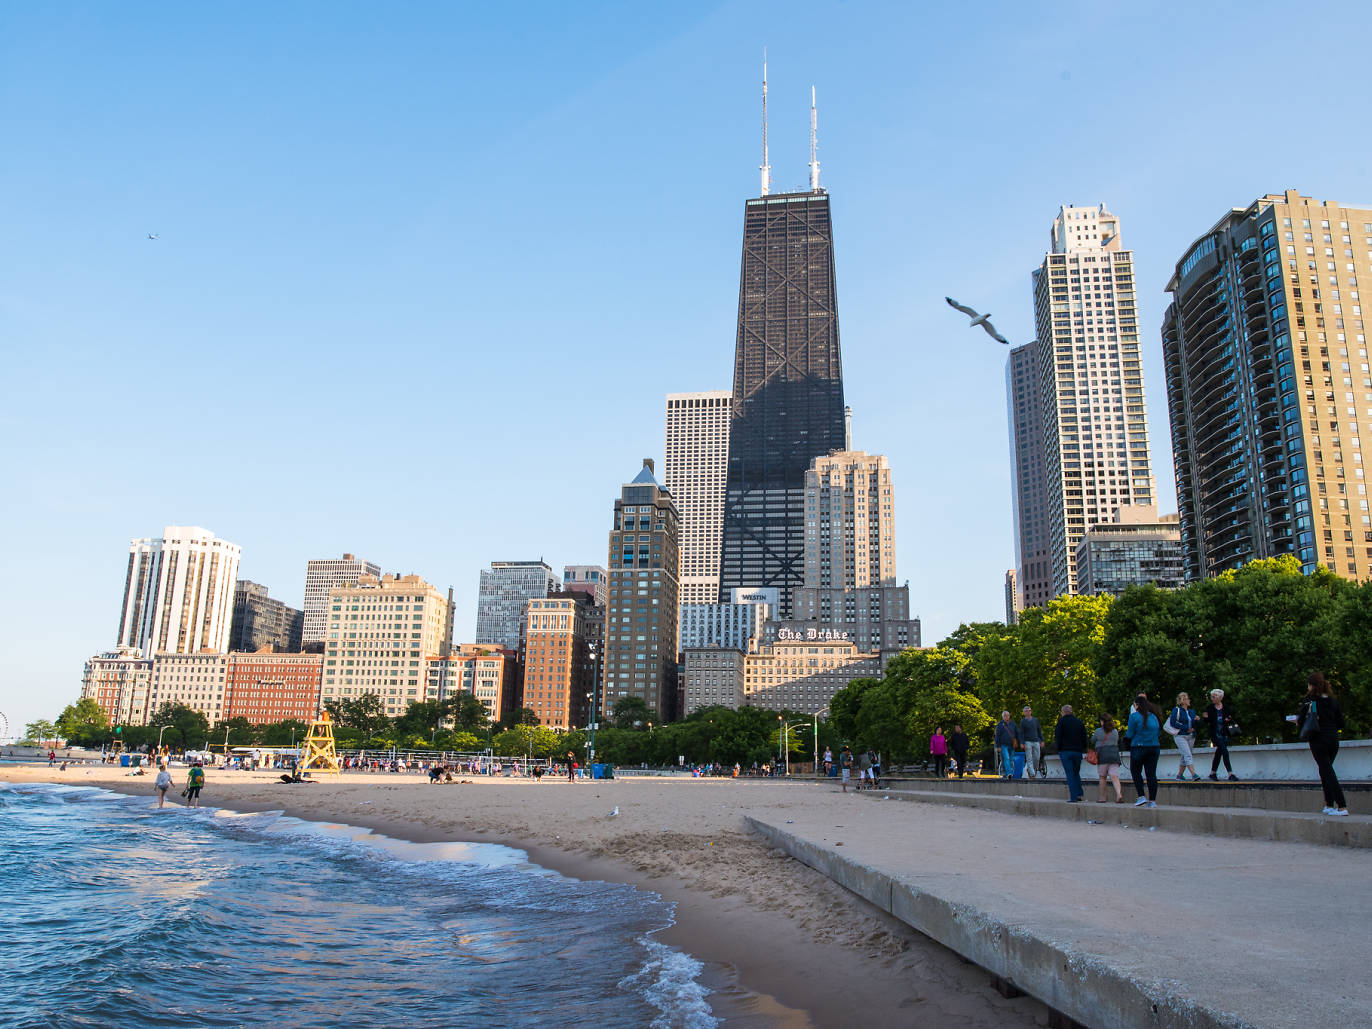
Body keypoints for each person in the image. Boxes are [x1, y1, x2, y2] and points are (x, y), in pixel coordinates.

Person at [1296, 672, 1348, 816]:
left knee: (1328, 772)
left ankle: (1342, 806)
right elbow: (1341, 723)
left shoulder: (1309, 700)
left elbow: (1301, 720)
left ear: (1311, 685)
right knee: (1325, 770)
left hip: (1318, 740)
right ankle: (1329, 804)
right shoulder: (1332, 700)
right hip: (1333, 740)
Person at [1127, 693, 1163, 808]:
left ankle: (1141, 796)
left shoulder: (1134, 716)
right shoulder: (1154, 716)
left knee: (1135, 771)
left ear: (1136, 705)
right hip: (1154, 747)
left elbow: (1130, 733)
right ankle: (1152, 800)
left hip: (1138, 747)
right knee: (1151, 774)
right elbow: (1158, 732)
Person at [1202, 689, 1240, 780]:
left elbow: (1230, 717)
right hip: (1215, 734)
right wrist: (1205, 717)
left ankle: (1213, 773)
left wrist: (1227, 720)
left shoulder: (1226, 707)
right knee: (1224, 751)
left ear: (1220, 698)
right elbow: (1208, 720)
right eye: (1212, 696)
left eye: (1214, 697)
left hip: (1224, 733)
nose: (1212, 698)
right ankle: (1230, 773)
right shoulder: (1210, 707)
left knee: (1219, 753)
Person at [1054, 705, 1088, 802]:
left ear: (1063, 712)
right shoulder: (1079, 722)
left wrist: (1059, 748)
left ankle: (1073, 797)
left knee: (1070, 774)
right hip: (1077, 752)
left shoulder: (1061, 722)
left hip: (1065, 751)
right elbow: (1084, 737)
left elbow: (1058, 737)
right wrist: (1083, 748)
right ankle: (1079, 793)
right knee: (1076, 772)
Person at [1167, 692, 1201, 781]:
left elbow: (1196, 724)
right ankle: (1194, 774)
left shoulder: (1191, 711)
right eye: (1188, 699)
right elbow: (1173, 723)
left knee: (1185, 755)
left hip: (1191, 736)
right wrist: (1186, 728)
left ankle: (1179, 775)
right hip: (1180, 736)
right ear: (1183, 700)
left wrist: (1197, 720)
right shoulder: (1176, 710)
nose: (1189, 700)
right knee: (1187, 754)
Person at [1092, 714, 1124, 803]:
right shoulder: (1115, 731)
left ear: (1102, 722)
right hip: (1114, 755)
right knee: (1114, 776)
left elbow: (1092, 740)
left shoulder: (1098, 731)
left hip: (1103, 756)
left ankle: (1103, 798)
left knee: (1102, 777)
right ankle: (1119, 794)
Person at [1019, 706, 1043, 780]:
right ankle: (1032, 774)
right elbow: (1021, 733)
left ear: (1031, 711)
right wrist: (1022, 743)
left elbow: (1039, 730)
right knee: (1029, 758)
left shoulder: (1035, 720)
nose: (1028, 712)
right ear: (1024, 712)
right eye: (1026, 711)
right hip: (1027, 741)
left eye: (1029, 710)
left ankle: (1032, 770)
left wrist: (1041, 740)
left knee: (1037, 757)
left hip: (1036, 740)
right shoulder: (1023, 721)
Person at [995, 711, 1020, 779]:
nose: (1007, 717)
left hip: (1012, 744)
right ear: (1003, 717)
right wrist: (998, 746)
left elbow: (1017, 734)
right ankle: (1009, 773)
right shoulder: (1000, 725)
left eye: (1008, 715)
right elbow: (997, 736)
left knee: (1011, 759)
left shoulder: (1013, 724)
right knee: (1006, 758)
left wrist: (1019, 742)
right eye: (1005, 716)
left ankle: (1009, 773)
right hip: (1003, 745)